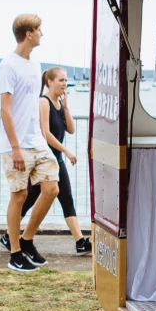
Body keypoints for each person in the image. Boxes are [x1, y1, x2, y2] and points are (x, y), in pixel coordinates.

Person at [0, 13, 58, 272]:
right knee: (19, 195)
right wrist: (15, 148)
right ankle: (15, 253)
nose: (42, 33)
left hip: (37, 141)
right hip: (17, 145)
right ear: (29, 34)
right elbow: (5, 110)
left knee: (51, 188)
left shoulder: (35, 63)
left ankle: (27, 239)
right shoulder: (7, 66)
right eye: (39, 30)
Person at [38, 67, 91, 256]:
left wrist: (66, 107)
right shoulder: (43, 102)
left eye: (66, 81)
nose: (64, 84)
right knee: (28, 199)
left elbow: (71, 129)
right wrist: (67, 151)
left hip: (56, 159)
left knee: (66, 198)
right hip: (44, 160)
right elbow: (46, 134)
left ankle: (79, 242)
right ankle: (9, 236)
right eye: (61, 80)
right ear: (49, 82)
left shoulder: (59, 104)